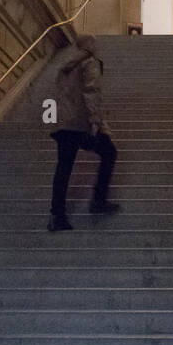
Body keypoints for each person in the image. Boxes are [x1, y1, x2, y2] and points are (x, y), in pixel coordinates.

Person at [48, 34, 119, 231]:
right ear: (91, 47)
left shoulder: (65, 66)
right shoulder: (89, 63)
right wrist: (96, 121)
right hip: (82, 123)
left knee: (64, 167)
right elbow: (92, 92)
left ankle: (57, 215)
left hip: (63, 125)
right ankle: (98, 201)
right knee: (109, 152)